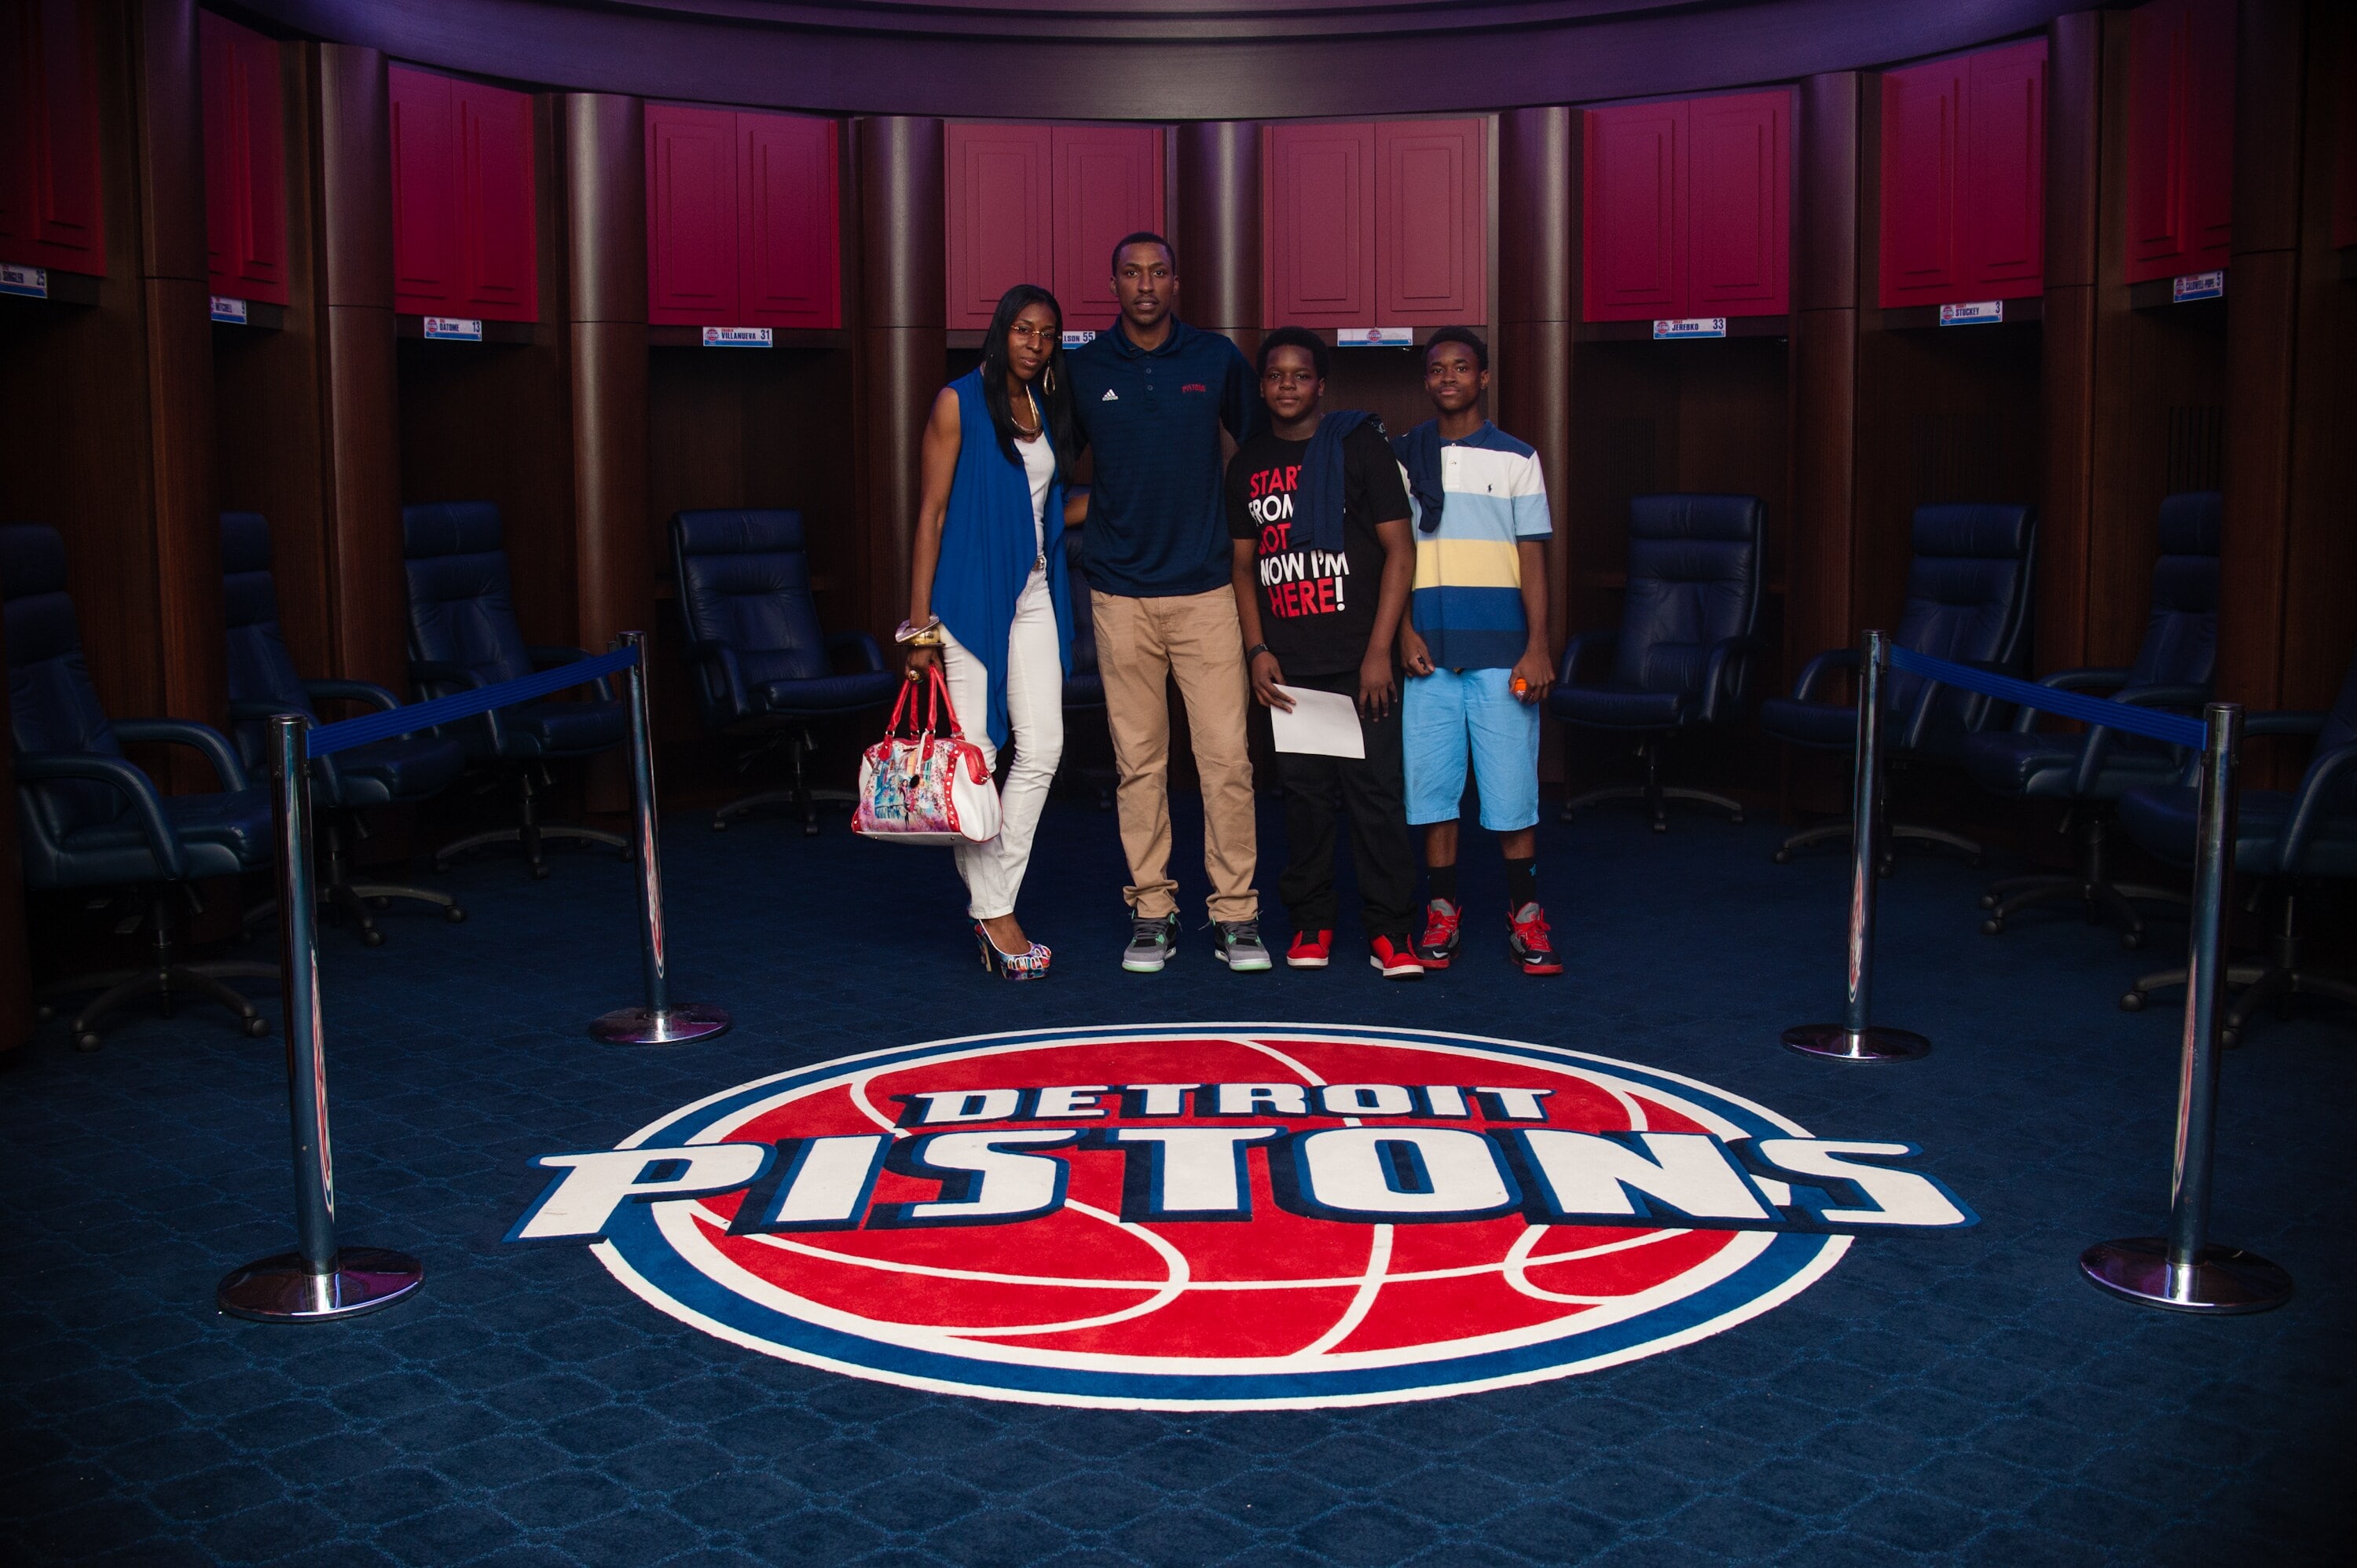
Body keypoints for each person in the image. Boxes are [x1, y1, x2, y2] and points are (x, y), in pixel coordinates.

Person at [1066, 232, 1270, 974]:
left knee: (1226, 762)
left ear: (1176, 283)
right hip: (1119, 594)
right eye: (1131, 273)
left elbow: (1263, 454)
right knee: (1139, 765)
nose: (1145, 284)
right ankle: (1152, 911)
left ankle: (1237, 915)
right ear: (1113, 283)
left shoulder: (1214, 358)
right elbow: (1046, 466)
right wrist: (1090, 511)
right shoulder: (1084, 369)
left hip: (1208, 590)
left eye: (1157, 273)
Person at [1226, 327, 1424, 980]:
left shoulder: (1357, 445)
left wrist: (1379, 651)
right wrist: (1256, 648)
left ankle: (1391, 932)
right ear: (1262, 387)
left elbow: (1401, 549)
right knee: (1307, 802)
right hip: (1291, 663)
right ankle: (1312, 922)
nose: (1288, 385)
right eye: (1276, 375)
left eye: (1300, 375)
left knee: (1375, 798)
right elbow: (1244, 567)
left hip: (1359, 659)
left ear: (1321, 384)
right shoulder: (1248, 462)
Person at [903, 284, 1083, 980]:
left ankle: (991, 899)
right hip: (972, 594)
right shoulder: (958, 401)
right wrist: (918, 629)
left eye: (1047, 334)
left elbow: (1045, 508)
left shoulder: (1044, 404)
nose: (1035, 343)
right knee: (974, 760)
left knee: (1044, 748)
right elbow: (933, 513)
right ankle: (997, 916)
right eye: (1023, 330)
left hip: (1034, 590)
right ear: (1000, 331)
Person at [1391, 327, 1563, 976]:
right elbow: (1394, 554)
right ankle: (1442, 912)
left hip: (1504, 655)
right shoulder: (1404, 458)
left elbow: (1533, 557)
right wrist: (1404, 630)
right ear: (1427, 380)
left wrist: (1538, 645)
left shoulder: (1518, 458)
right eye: (1437, 369)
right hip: (1429, 655)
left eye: (1461, 368)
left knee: (1512, 793)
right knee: (1434, 793)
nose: (1448, 379)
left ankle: (1525, 915)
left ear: (1483, 378)